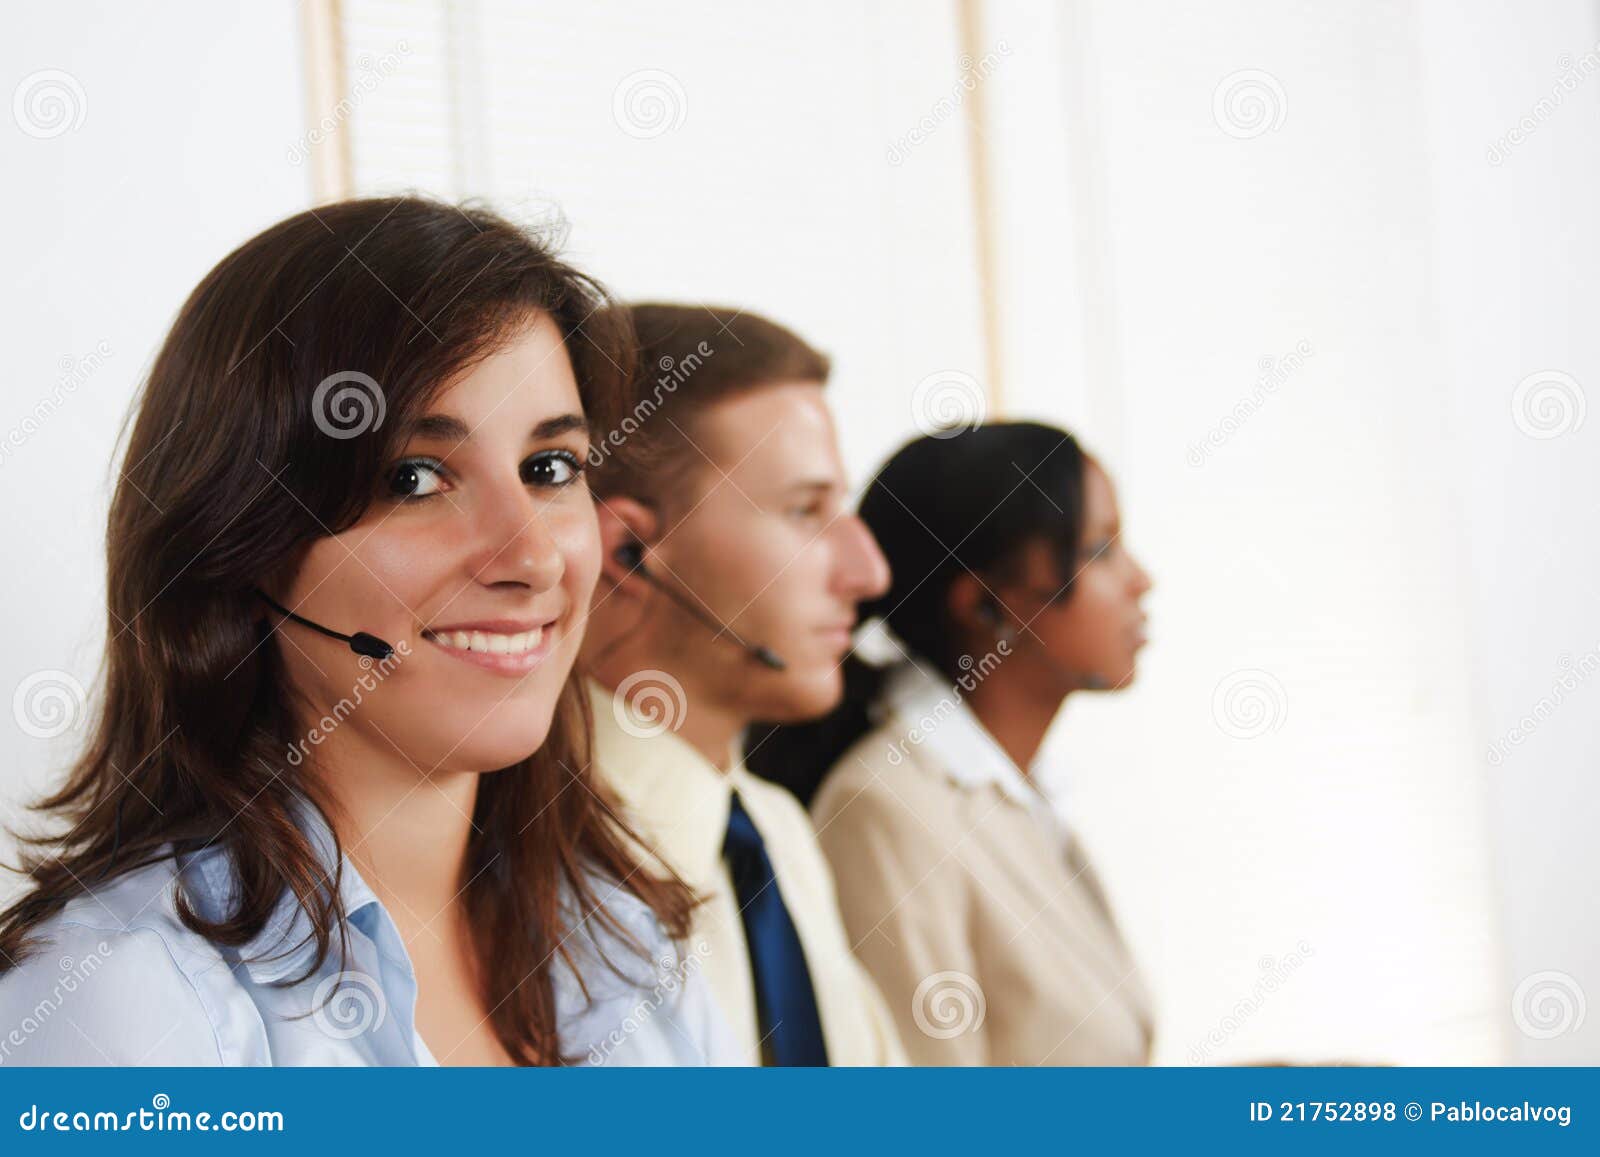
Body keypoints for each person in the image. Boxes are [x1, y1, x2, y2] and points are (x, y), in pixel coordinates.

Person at [0, 197, 734, 1067]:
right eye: (416, 477)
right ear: (241, 542)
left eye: (550, 467)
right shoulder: (123, 999)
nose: (532, 556)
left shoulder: (623, 943)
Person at [747, 422, 1156, 1065]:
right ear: (987, 603)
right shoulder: (888, 809)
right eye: (1100, 550)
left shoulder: (1013, 791)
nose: (1141, 581)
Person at [580, 304, 905, 1065]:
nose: (869, 572)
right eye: (804, 510)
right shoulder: (535, 857)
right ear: (628, 553)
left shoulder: (775, 830)